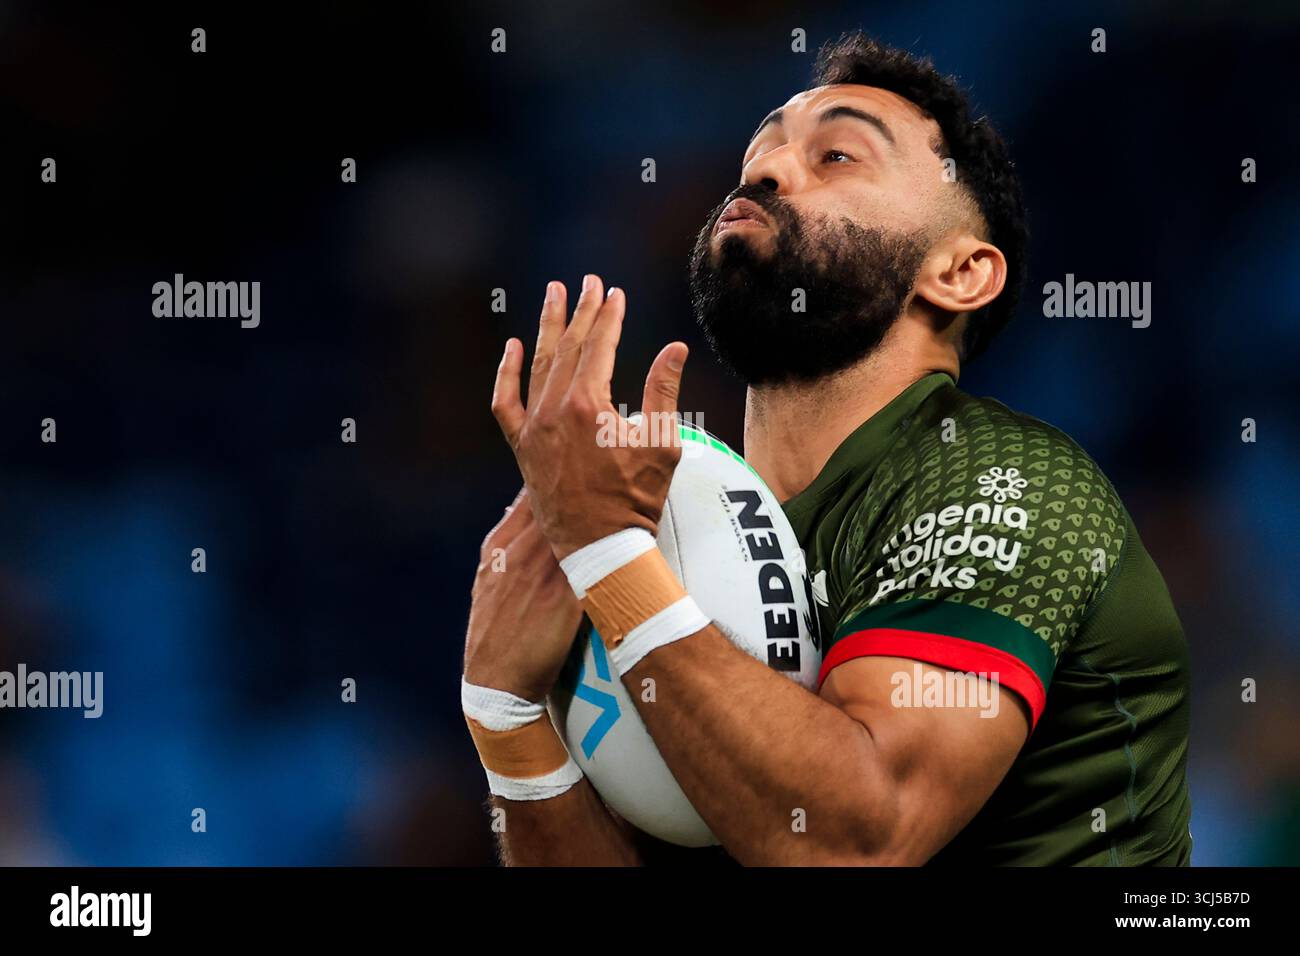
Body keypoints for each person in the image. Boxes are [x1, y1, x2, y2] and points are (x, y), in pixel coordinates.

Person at [463, 31, 1191, 866]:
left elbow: (857, 843)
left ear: (960, 273)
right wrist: (507, 720)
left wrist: (607, 552)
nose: (767, 171)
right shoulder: (655, 527)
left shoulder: (1012, 481)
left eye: (837, 154)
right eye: (759, 152)